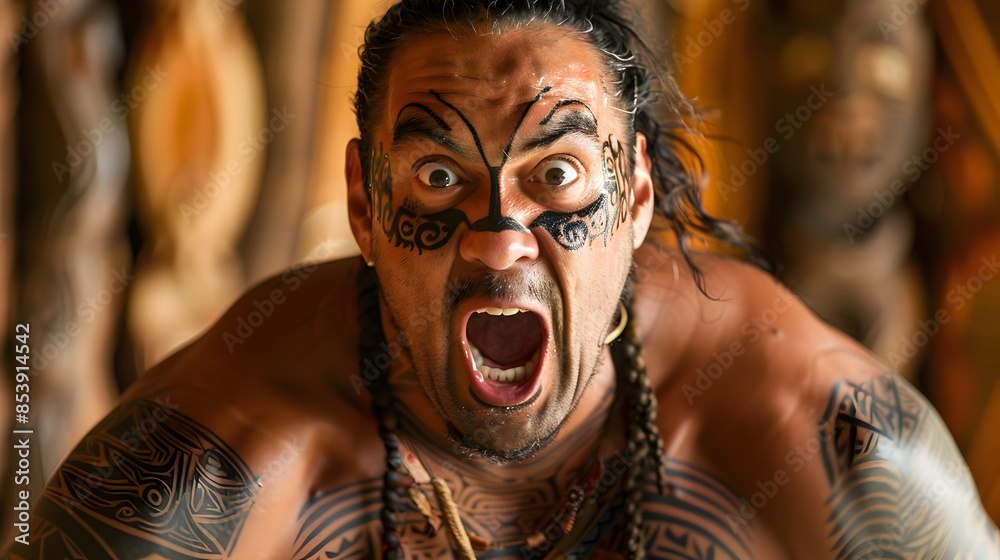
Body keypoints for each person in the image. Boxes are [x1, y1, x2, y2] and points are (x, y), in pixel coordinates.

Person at [8, 1, 1000, 559]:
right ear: (363, 204)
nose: (497, 242)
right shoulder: (214, 469)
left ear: (637, 195)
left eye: (555, 177)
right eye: (438, 179)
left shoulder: (816, 436)